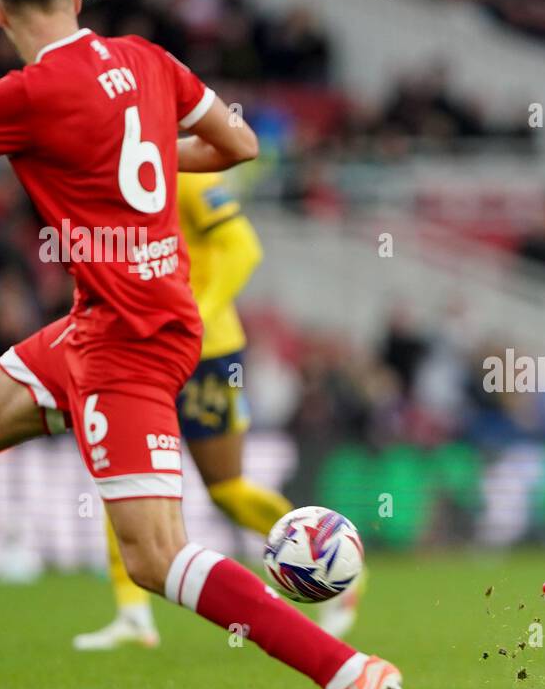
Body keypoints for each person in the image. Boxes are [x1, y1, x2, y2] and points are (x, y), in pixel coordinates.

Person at [0, 0, 397, 689]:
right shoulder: (146, 59)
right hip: (112, 318)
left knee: (156, 555)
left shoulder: (25, 95)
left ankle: (346, 671)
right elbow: (234, 143)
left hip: (129, 336)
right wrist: (152, 169)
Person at [72, 171, 361, 650]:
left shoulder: (183, 173)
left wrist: (197, 314)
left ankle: (332, 555)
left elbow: (243, 247)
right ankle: (133, 615)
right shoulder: (107, 182)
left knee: (226, 490)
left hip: (208, 353)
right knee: (122, 477)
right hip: (140, 349)